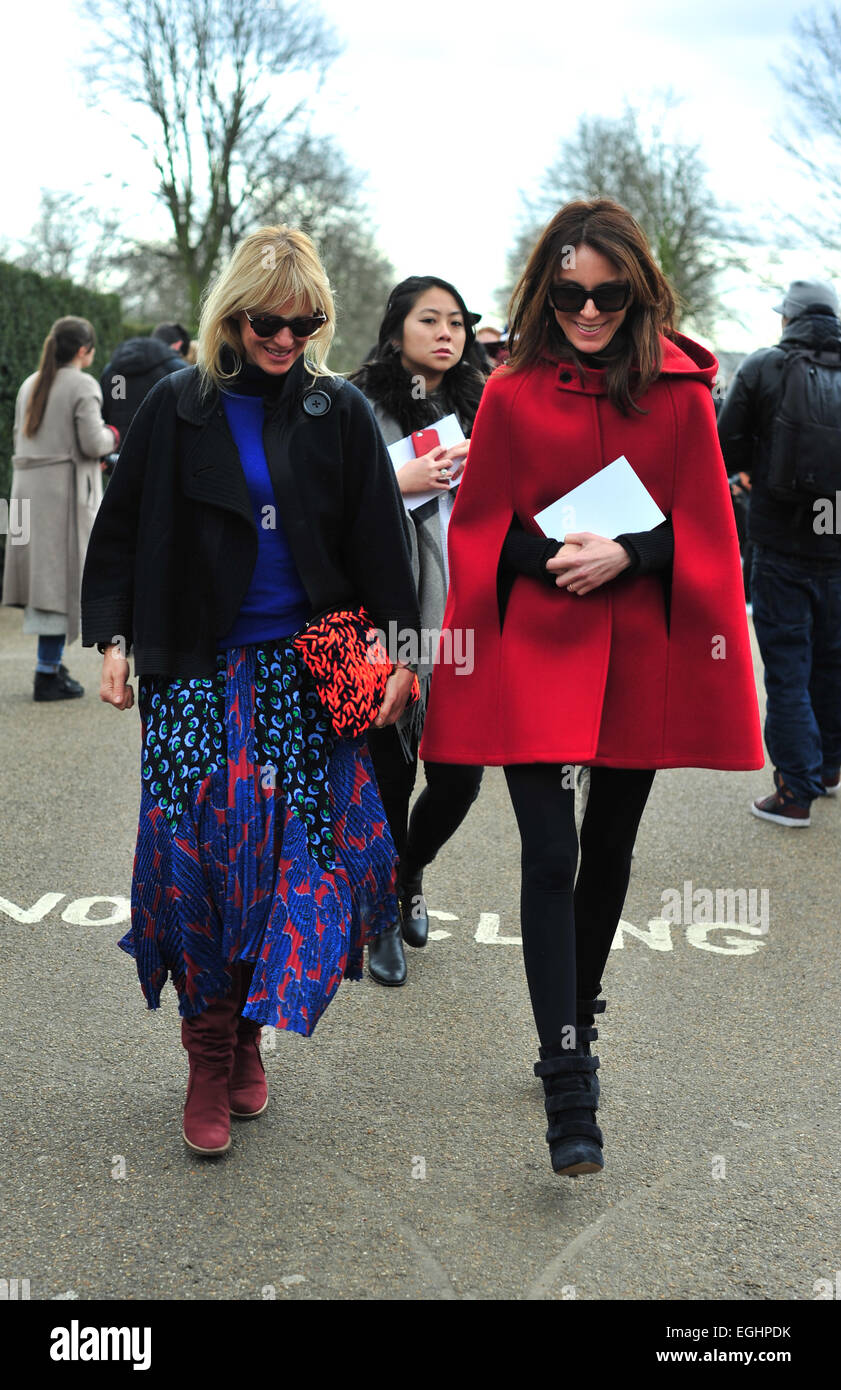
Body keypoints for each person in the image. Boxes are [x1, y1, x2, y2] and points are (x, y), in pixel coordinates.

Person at [420, 199, 763, 1178]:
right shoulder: (510, 391)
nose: (587, 309)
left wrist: (632, 551)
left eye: (608, 293)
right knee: (547, 849)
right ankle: (568, 1079)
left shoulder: (684, 394)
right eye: (568, 292)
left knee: (608, 847)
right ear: (543, 289)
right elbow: (480, 526)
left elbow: (706, 531)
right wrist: (551, 557)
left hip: (639, 646)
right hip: (536, 637)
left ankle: (579, 1004)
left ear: (639, 290)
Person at [81, 225, 420, 1157]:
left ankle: (247, 1038)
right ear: (232, 316)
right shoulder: (173, 408)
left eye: (307, 323)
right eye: (270, 322)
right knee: (195, 858)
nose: (288, 339)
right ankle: (204, 1049)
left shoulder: (336, 411)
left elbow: (380, 545)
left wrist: (402, 654)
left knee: (283, 862)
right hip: (192, 666)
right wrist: (113, 636)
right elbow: (121, 531)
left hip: (301, 673)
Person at [350, 276, 487, 986]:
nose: (445, 332)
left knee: (460, 780)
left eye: (456, 322)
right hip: (387, 621)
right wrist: (396, 484)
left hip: (465, 623)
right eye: (428, 319)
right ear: (396, 326)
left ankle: (408, 873)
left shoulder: (484, 404)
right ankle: (379, 915)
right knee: (389, 777)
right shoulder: (356, 406)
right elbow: (320, 504)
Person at [718, 278, 841, 825]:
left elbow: (729, 444)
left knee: (788, 668)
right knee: (833, 664)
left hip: (780, 542)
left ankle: (795, 791)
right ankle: (828, 766)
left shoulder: (765, 365)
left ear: (788, 320)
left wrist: (758, 474)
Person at [2, 316, 118, 700]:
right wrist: (113, 435)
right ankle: (46, 673)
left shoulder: (28, 383)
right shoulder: (83, 383)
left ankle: (50, 664)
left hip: (24, 495)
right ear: (84, 351)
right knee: (56, 580)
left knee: (38, 578)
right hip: (60, 497)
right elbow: (91, 442)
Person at [99, 322, 190, 447]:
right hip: (160, 451)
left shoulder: (111, 369)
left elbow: (103, 414)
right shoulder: (176, 370)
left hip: (117, 453)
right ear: (178, 345)